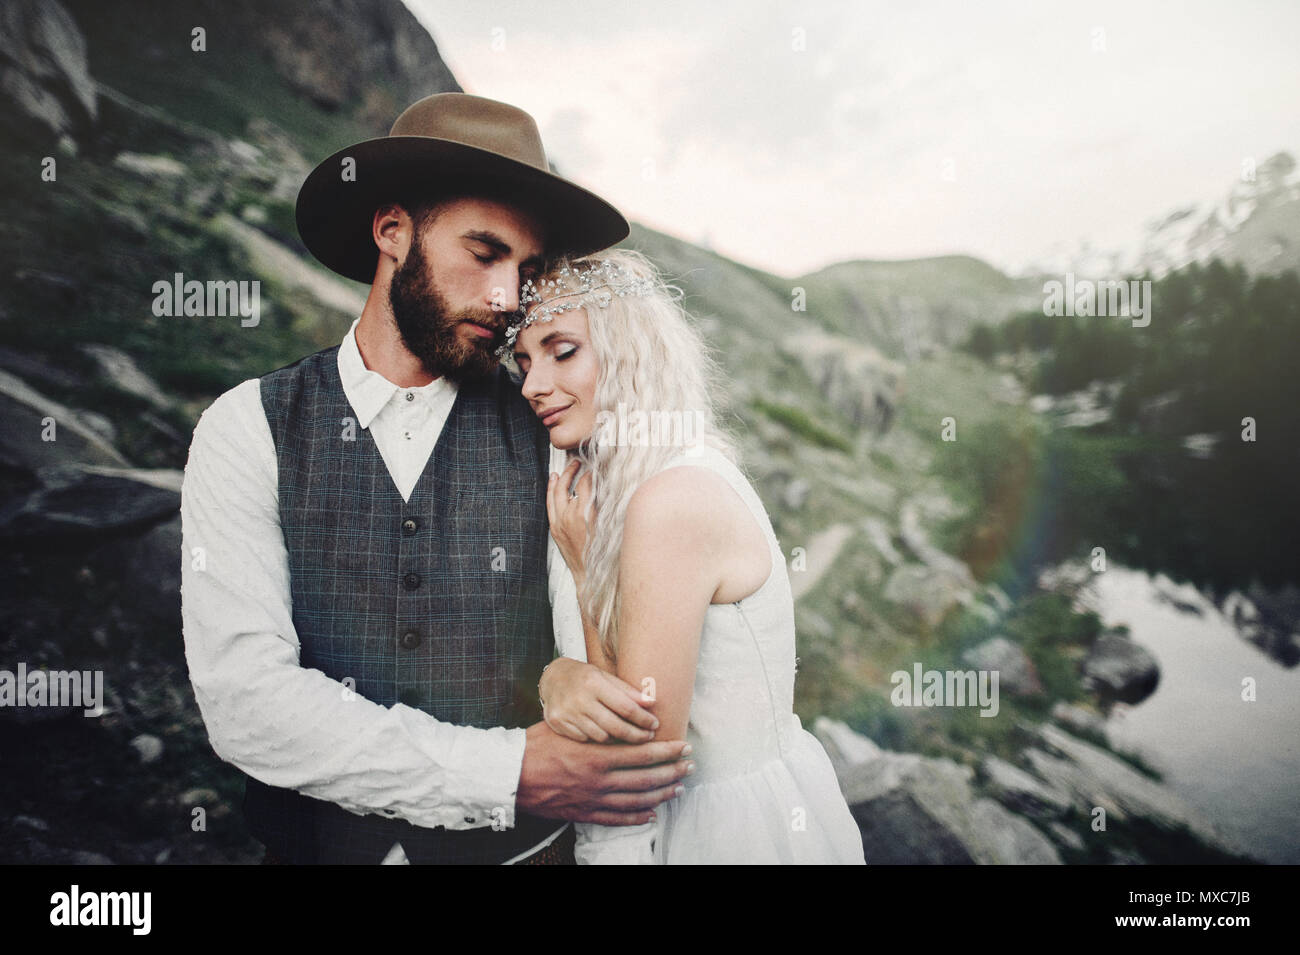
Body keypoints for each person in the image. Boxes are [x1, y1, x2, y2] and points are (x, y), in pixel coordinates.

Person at [179, 93, 692, 865]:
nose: (507, 297)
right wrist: (508, 772)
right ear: (392, 230)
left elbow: (596, 673)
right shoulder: (246, 427)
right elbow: (247, 702)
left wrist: (557, 682)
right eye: (485, 253)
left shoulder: (552, 431)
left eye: (526, 267)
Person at [512, 249, 867, 864]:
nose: (533, 384)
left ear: (631, 353)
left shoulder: (669, 500)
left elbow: (637, 751)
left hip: (724, 834)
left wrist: (582, 575)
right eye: (523, 360)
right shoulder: (682, 466)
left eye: (562, 351)